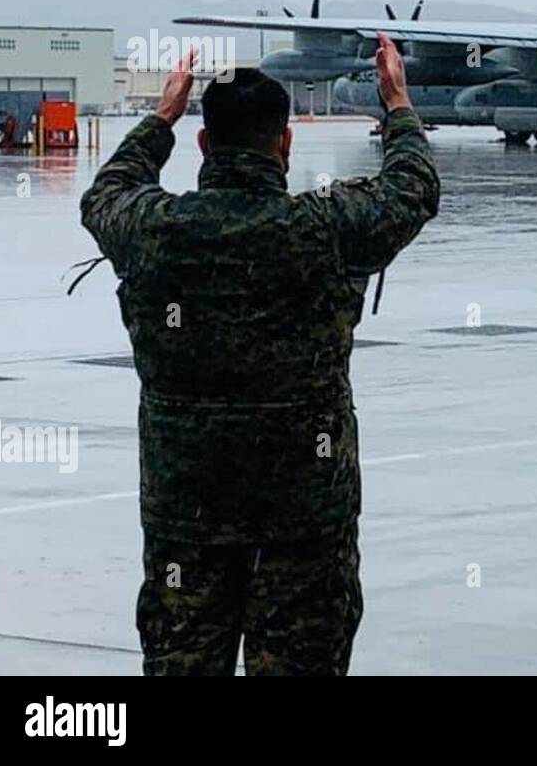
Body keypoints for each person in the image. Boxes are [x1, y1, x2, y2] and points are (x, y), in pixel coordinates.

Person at [79, 35, 440, 676]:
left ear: (203, 145)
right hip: (304, 508)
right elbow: (412, 188)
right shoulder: (325, 228)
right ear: (285, 144)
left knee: (183, 659)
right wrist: (398, 105)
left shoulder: (153, 228)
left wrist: (161, 117)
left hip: (187, 505)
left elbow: (105, 193)